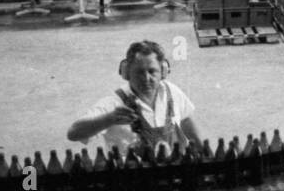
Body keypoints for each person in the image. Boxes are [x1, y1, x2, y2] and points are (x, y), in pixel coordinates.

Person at [68, 40, 203, 157]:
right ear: (126, 73)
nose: (146, 79)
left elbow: (186, 120)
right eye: (139, 72)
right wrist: (109, 119)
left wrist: (204, 151)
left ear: (163, 71)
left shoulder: (171, 91)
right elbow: (73, 133)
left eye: (152, 71)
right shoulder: (113, 103)